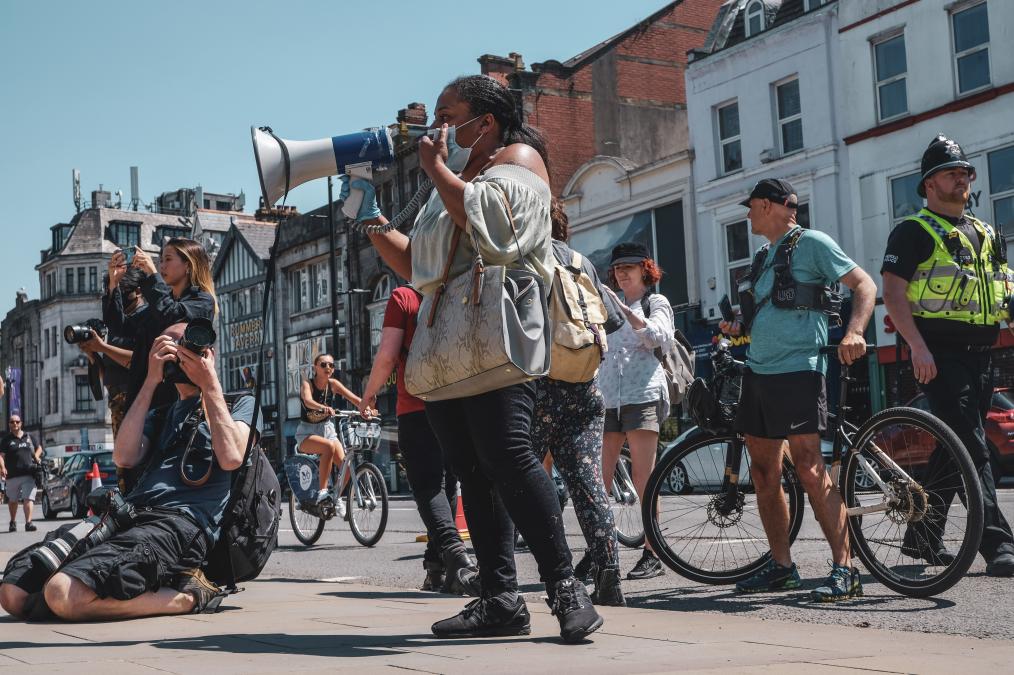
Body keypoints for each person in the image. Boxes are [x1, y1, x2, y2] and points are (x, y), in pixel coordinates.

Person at [351, 74, 602, 643]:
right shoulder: (456, 182)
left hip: (497, 333)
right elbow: (418, 265)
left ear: (483, 122)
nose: (437, 126)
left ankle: (566, 589)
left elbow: (498, 229)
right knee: (470, 470)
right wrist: (368, 213)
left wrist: (434, 169)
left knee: (511, 457)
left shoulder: (518, 158)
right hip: (446, 347)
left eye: (448, 114)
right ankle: (500, 599)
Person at [0, 322, 260, 621]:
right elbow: (124, 456)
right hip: (129, 516)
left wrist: (210, 384)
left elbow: (231, 458)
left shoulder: (240, 404)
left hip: (179, 526)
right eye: (167, 347)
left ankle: (189, 596)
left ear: (207, 354)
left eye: (183, 346)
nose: (176, 354)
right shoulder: (160, 413)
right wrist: (150, 380)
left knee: (62, 594)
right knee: (13, 594)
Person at [721, 178, 876, 602]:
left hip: (799, 370)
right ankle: (782, 567)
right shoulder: (760, 257)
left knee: (809, 467)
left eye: (751, 206)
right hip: (759, 373)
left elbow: (865, 285)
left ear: (770, 205)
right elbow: (764, 313)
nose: (748, 214)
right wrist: (736, 327)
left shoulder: (813, 243)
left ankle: (846, 569)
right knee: (763, 473)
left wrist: (854, 332)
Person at [881, 135, 1014, 577]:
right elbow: (894, 295)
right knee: (974, 445)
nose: (963, 178)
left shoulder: (985, 232)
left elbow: (1002, 286)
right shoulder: (912, 232)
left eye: (966, 171)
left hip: (981, 354)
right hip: (938, 355)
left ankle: (922, 535)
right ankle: (998, 544)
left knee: (952, 447)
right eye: (952, 172)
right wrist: (917, 347)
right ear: (929, 184)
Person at [532, 200, 626, 605]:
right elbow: (614, 320)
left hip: (539, 386)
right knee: (589, 484)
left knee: (520, 479)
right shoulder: (579, 262)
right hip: (585, 387)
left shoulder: (526, 260)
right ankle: (609, 573)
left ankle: (515, 575)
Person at [359, 284, 479, 596]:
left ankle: (455, 556)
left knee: (427, 486)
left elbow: (387, 355)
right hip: (459, 400)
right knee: (449, 484)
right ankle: (436, 567)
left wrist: (369, 394)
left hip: (416, 403)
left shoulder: (405, 296)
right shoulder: (457, 286)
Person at [597, 241, 674, 581]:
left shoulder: (654, 301)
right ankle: (599, 552)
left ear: (645, 268)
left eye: (629, 266)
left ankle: (653, 552)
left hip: (642, 393)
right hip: (607, 396)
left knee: (645, 479)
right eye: (617, 268)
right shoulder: (607, 305)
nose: (622, 272)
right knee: (598, 479)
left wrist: (624, 310)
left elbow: (659, 337)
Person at [107, 238, 217, 411]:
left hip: (176, 403)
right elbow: (119, 327)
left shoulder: (201, 300)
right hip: (143, 398)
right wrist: (113, 285)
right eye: (160, 260)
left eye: (168, 259)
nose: (161, 266)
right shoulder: (160, 303)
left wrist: (152, 276)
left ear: (188, 266)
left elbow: (171, 317)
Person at [78, 267, 149, 437]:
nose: (117, 297)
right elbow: (109, 374)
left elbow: (141, 362)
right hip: (117, 404)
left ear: (138, 291)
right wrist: (91, 353)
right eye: (111, 291)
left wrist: (102, 347)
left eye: (121, 291)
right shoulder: (114, 324)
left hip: (139, 402)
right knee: (123, 461)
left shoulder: (147, 317)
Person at [294, 354, 367, 516]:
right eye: (323, 365)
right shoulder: (308, 384)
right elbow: (307, 401)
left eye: (331, 365)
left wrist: (367, 409)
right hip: (307, 432)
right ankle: (322, 491)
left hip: (327, 430)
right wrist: (323, 407)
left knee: (346, 467)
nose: (328, 368)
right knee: (328, 447)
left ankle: (335, 497)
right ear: (315, 368)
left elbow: (356, 400)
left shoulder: (333, 384)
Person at [0, 416, 43, 532]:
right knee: (13, 500)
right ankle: (13, 521)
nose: (15, 424)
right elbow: (1, 456)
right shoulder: (6, 440)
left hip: (28, 474)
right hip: (12, 475)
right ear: (9, 424)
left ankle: (28, 523)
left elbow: (39, 448)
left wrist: (37, 457)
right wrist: (3, 468)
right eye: (12, 422)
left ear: (21, 423)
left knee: (28, 498)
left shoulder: (29, 437)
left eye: (17, 422)